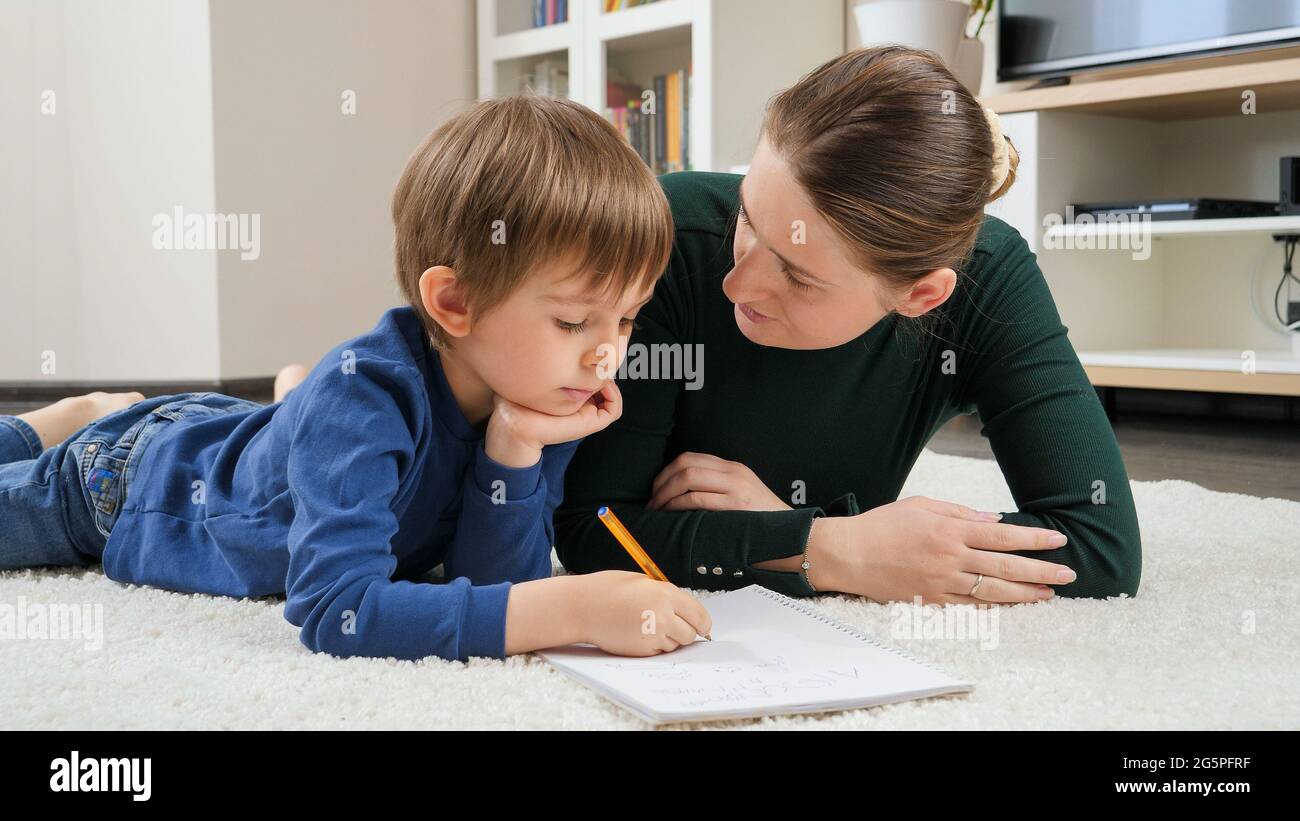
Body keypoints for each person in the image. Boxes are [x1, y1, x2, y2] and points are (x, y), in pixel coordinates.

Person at [0, 95, 712, 661]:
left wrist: (515, 446)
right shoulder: (365, 398)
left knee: (294, 428)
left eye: (625, 321)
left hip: (243, 432)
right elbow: (336, 609)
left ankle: (244, 402)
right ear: (454, 304)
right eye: (573, 322)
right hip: (125, 482)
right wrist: (576, 607)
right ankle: (64, 421)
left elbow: (493, 582)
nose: (605, 356)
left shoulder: (539, 394)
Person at [554, 46, 1142, 605]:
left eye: (797, 275)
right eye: (749, 219)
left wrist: (792, 529)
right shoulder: (665, 241)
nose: (737, 284)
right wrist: (835, 548)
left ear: (920, 295)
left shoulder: (988, 278)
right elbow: (593, 531)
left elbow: (1099, 546)